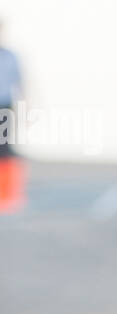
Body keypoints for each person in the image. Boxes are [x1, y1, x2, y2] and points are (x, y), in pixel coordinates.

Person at [0, 19, 25, 213]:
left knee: (5, 148)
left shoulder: (10, 56)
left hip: (4, 107)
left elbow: (20, 82)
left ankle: (8, 195)